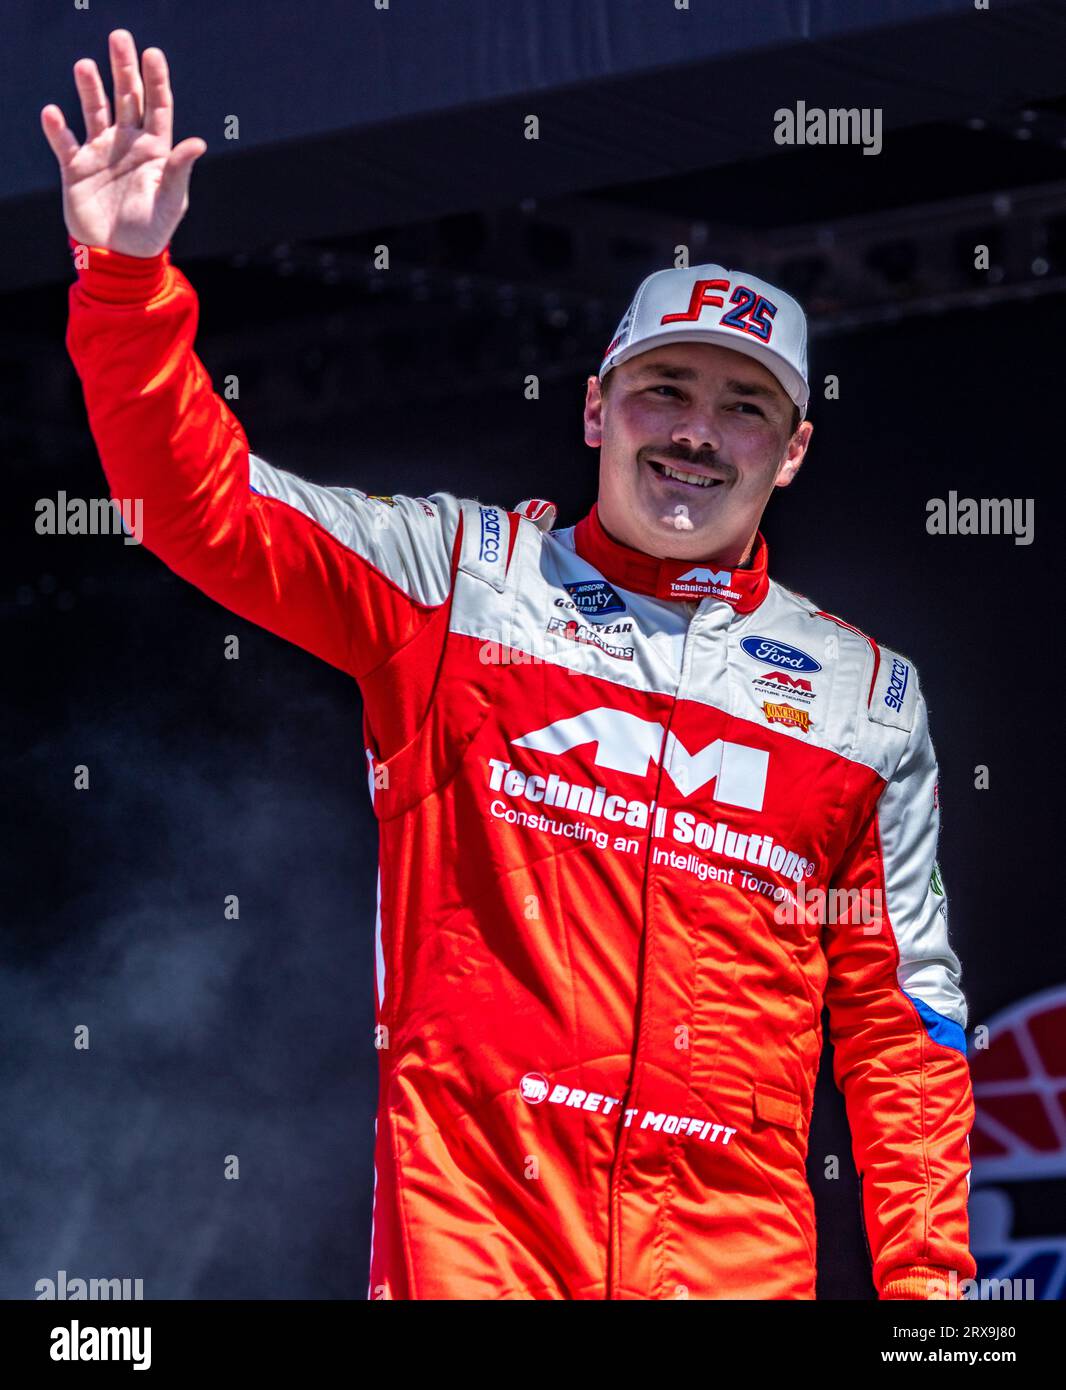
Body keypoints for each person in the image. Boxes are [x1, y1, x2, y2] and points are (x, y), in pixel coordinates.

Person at [43, 29, 976, 1301]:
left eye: (744, 405)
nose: (697, 434)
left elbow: (899, 1029)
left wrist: (930, 1302)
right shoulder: (453, 581)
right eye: (665, 389)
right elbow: (198, 507)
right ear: (596, 407)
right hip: (472, 1259)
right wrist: (129, 278)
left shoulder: (867, 698)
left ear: (793, 449)